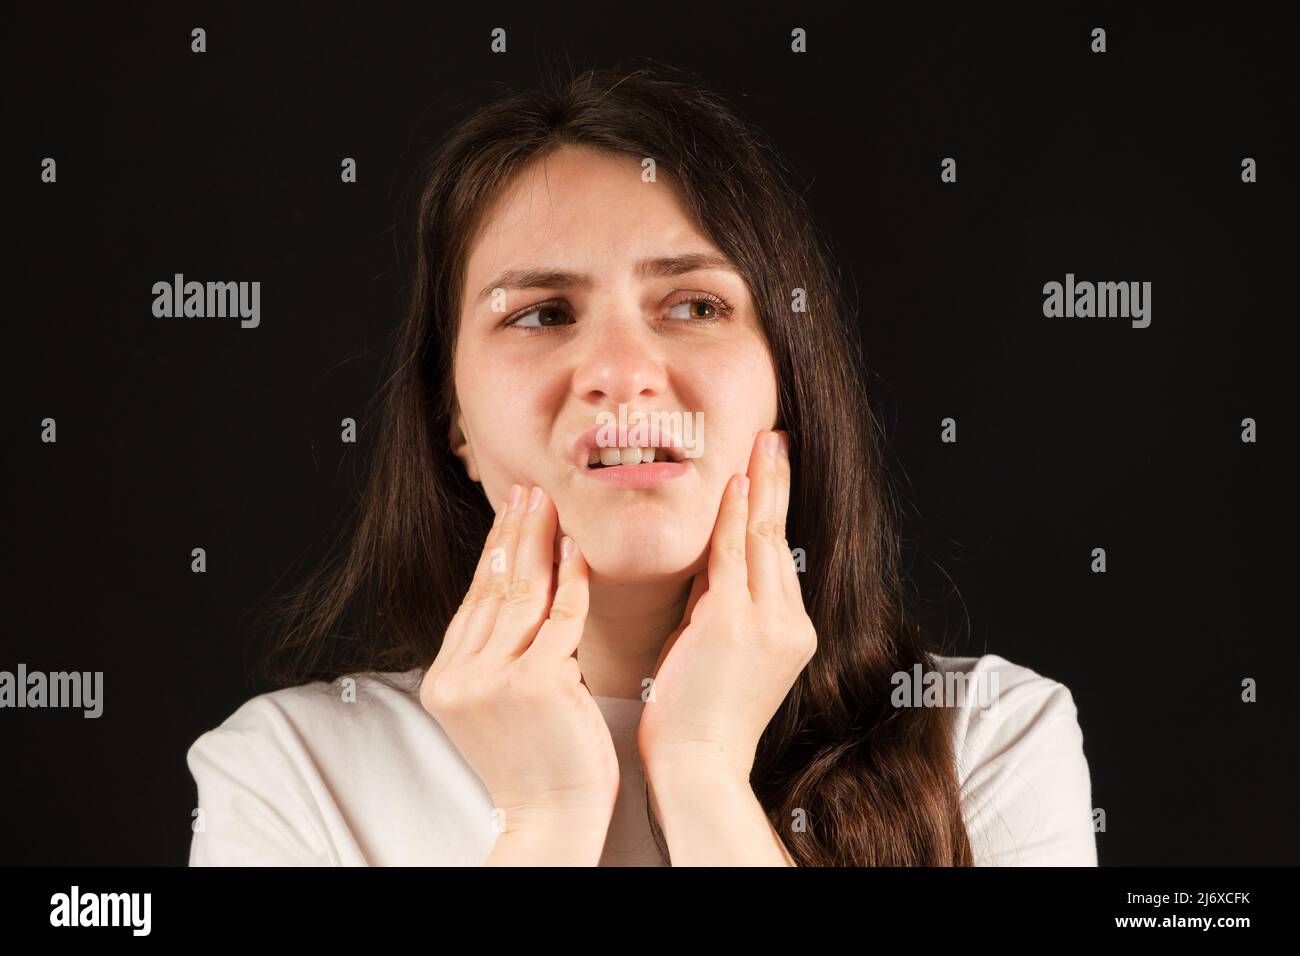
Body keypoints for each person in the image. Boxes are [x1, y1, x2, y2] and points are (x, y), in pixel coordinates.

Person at [186, 63, 1097, 867]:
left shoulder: (987, 740)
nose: (621, 374)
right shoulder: (288, 776)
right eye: (542, 314)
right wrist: (548, 818)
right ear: (451, 419)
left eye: (695, 305)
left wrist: (703, 776)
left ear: (789, 383)